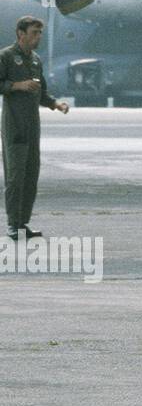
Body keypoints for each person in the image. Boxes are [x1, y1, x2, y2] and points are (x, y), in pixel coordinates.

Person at [1, 16, 70, 241]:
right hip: (15, 124)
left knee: (31, 174)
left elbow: (41, 92)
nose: (38, 37)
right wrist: (17, 85)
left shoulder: (36, 60)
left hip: (32, 125)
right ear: (21, 33)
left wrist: (55, 104)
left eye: (40, 33)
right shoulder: (6, 57)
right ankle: (12, 224)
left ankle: (23, 223)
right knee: (15, 176)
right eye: (34, 33)